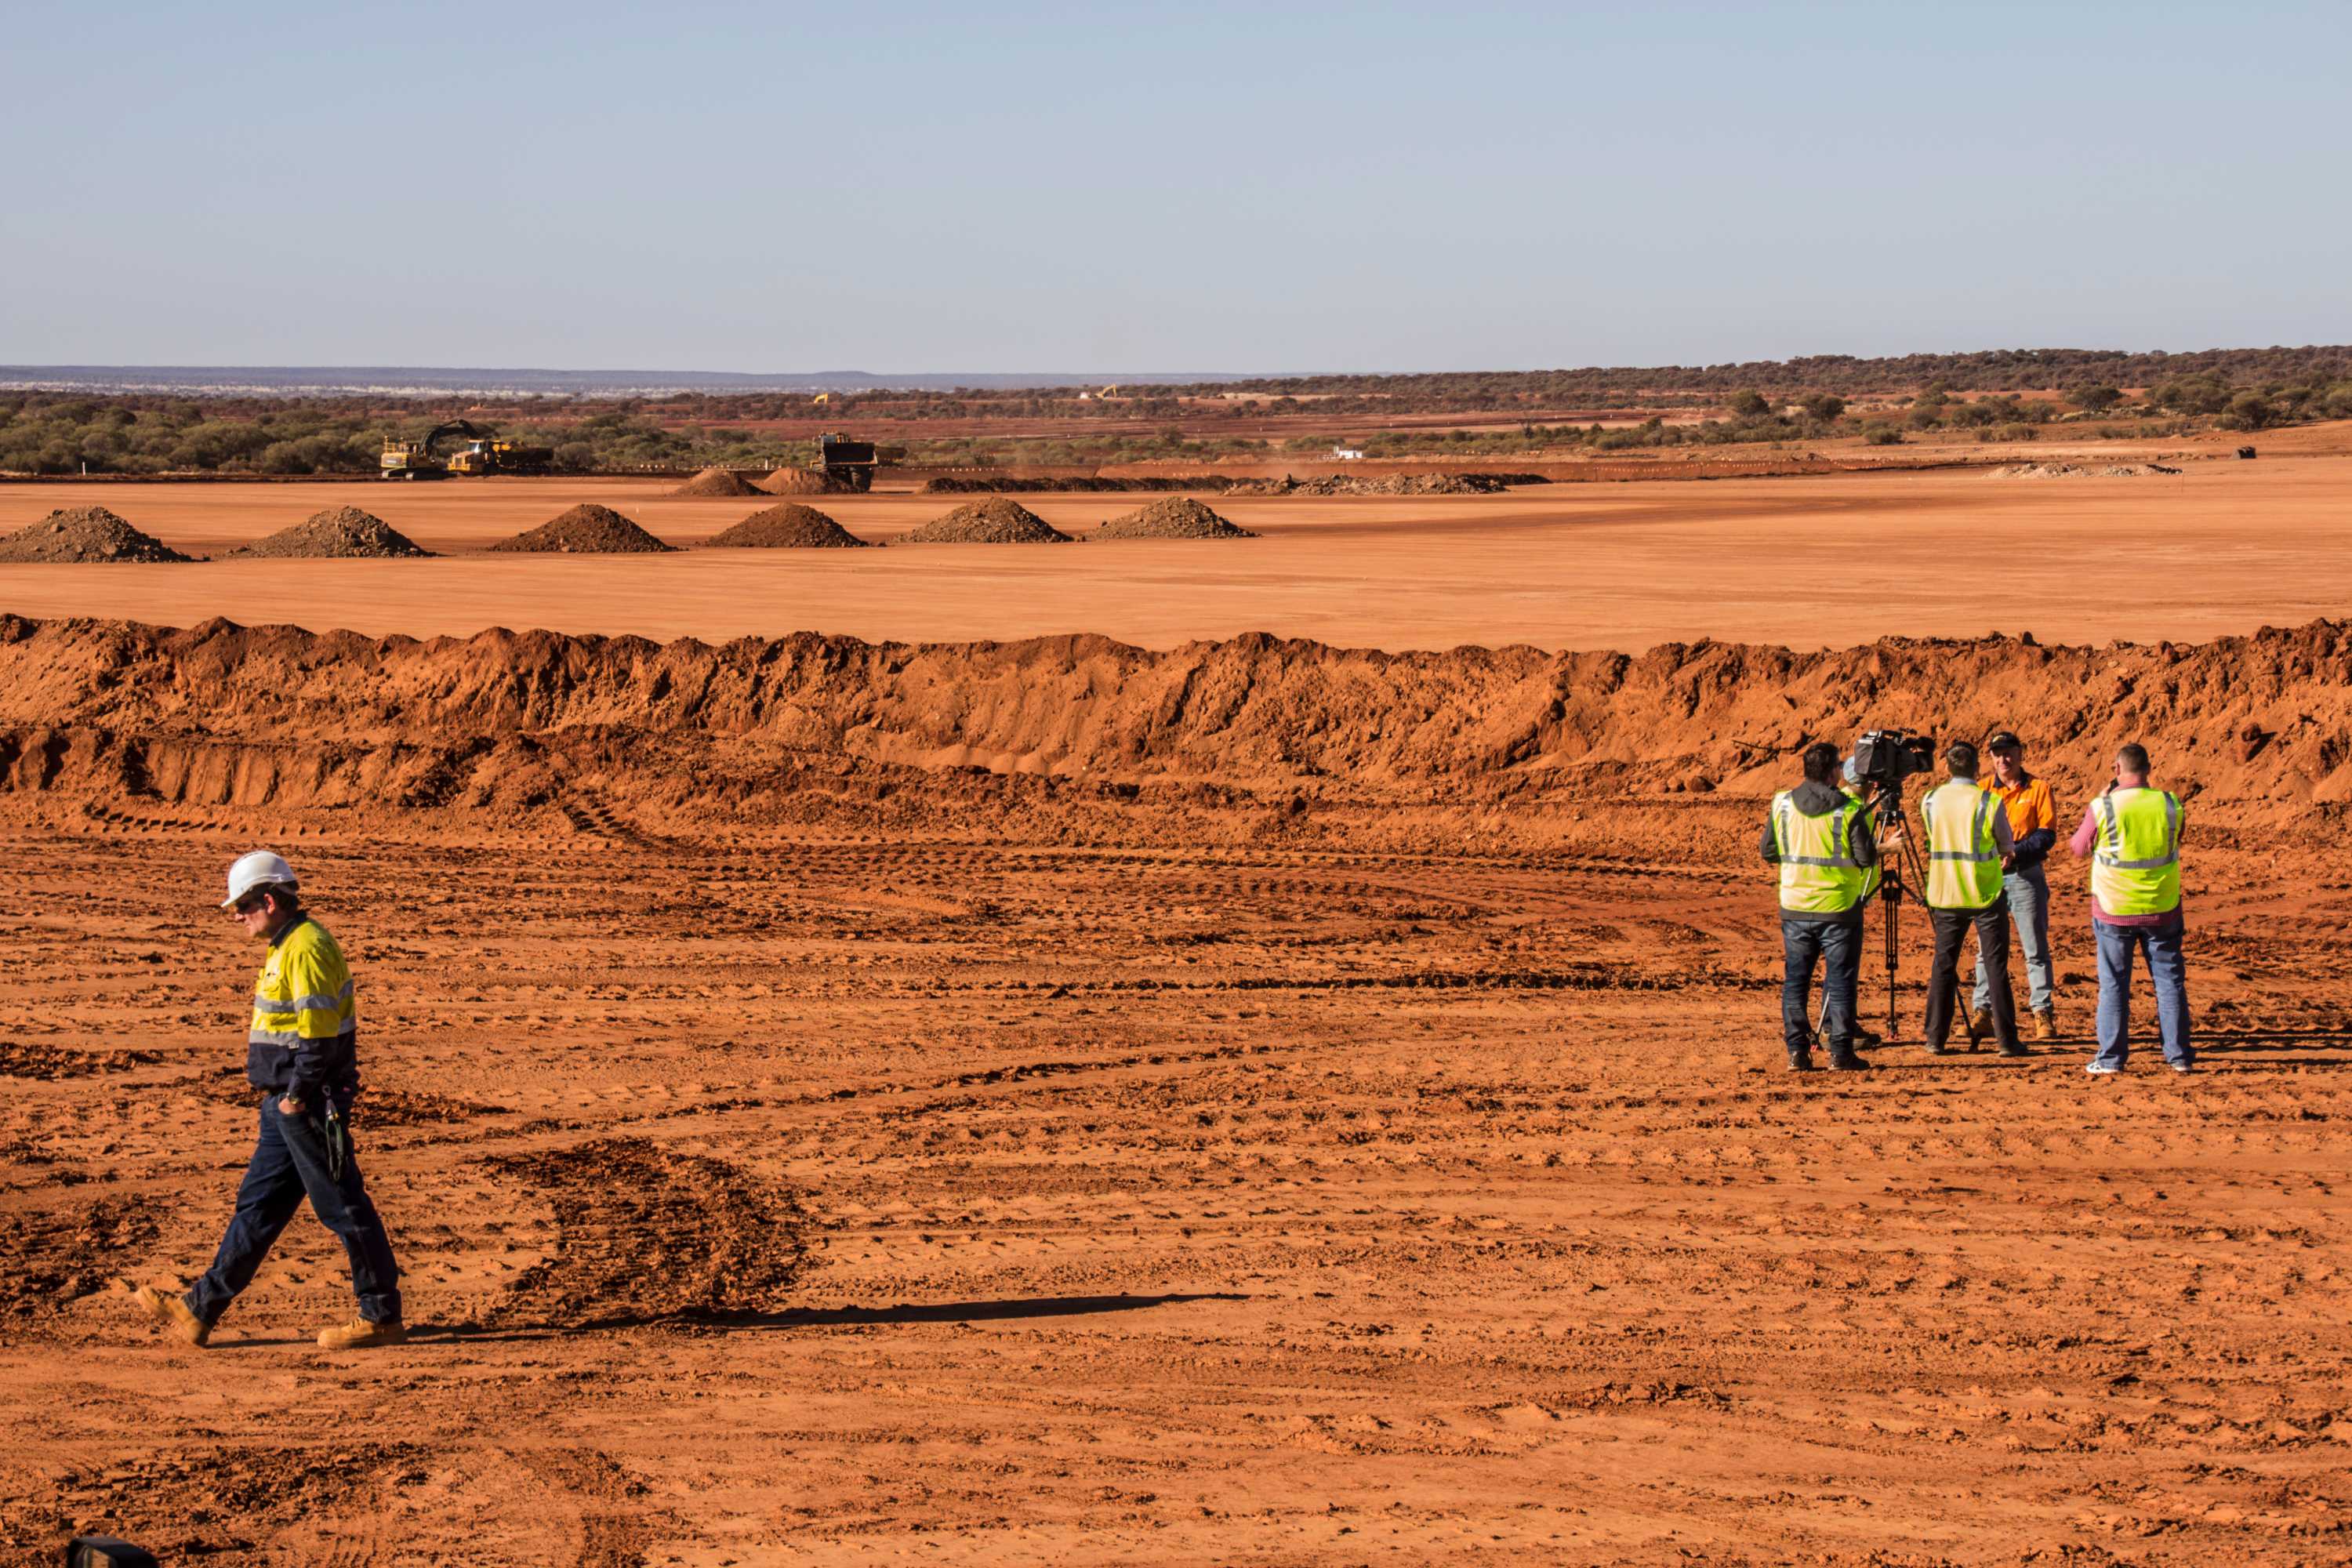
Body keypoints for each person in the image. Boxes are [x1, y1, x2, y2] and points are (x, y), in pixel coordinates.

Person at [132, 851, 406, 1350]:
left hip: (305, 1105)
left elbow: (319, 1037)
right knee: (257, 1207)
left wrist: (298, 1099)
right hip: (284, 1106)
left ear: (271, 900)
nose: (237, 915)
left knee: (344, 1207)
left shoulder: (306, 948)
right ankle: (200, 1308)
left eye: (243, 904)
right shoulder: (285, 946)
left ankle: (382, 1315)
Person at [2071, 743, 2192, 1075]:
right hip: (2162, 905)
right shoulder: (2170, 804)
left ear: (2116, 769)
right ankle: (2179, 1056)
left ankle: (2111, 1059)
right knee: (2169, 982)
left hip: (2114, 907)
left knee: (2114, 985)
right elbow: (2176, 838)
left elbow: (2078, 848)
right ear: (2149, 768)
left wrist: (2098, 802)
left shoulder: (2104, 806)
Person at [1762, 742, 1879, 1071]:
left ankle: (1797, 1052)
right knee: (1841, 981)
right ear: (1833, 772)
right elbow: (1866, 859)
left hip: (1796, 906)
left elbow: (1769, 851)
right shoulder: (1848, 810)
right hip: (1839, 908)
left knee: (1796, 982)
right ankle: (1841, 1053)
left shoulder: (1782, 804)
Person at [1918, 741, 2025, 1056]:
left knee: (1943, 965)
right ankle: (2007, 1041)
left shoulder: (1931, 799)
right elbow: (2006, 845)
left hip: (1945, 892)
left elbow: (1931, 836)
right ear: (1977, 768)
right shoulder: (1988, 802)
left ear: (1948, 768)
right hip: (1984, 892)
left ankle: (1935, 1038)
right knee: (1995, 967)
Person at [1970, 731, 2060, 1040]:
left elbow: (2047, 833)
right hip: (1990, 877)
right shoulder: (1981, 789)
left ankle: (2042, 1012)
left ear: (2020, 754)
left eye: (2008, 753)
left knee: (2034, 947)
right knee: (1986, 949)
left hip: (2025, 876)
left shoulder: (2038, 789)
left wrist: (2015, 852)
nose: (2002, 759)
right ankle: (1982, 1011)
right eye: (1997, 754)